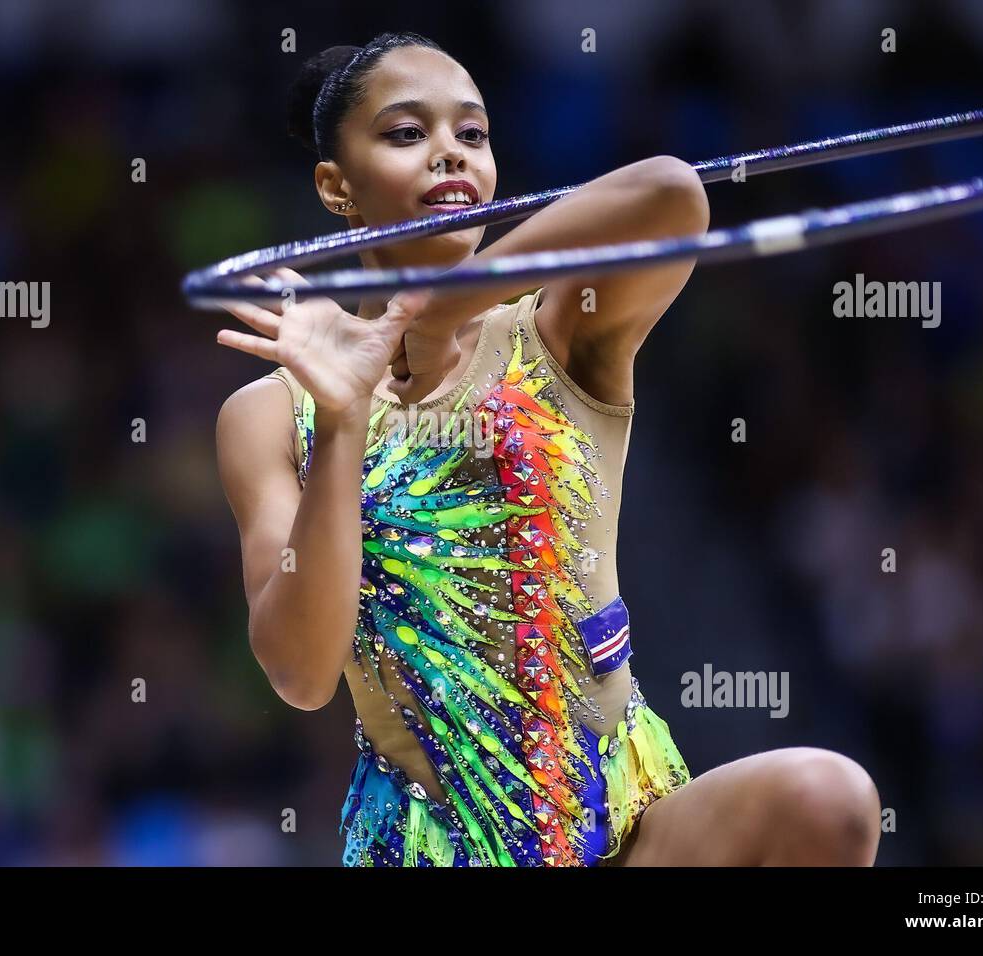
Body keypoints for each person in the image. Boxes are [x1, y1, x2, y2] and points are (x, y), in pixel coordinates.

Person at [214, 31, 882, 866]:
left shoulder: (556, 329)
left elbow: (672, 194)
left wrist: (446, 307)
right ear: (335, 186)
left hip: (625, 827)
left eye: (472, 133)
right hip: (435, 849)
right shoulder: (272, 412)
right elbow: (302, 673)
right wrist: (343, 416)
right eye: (405, 133)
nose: (449, 154)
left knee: (828, 800)